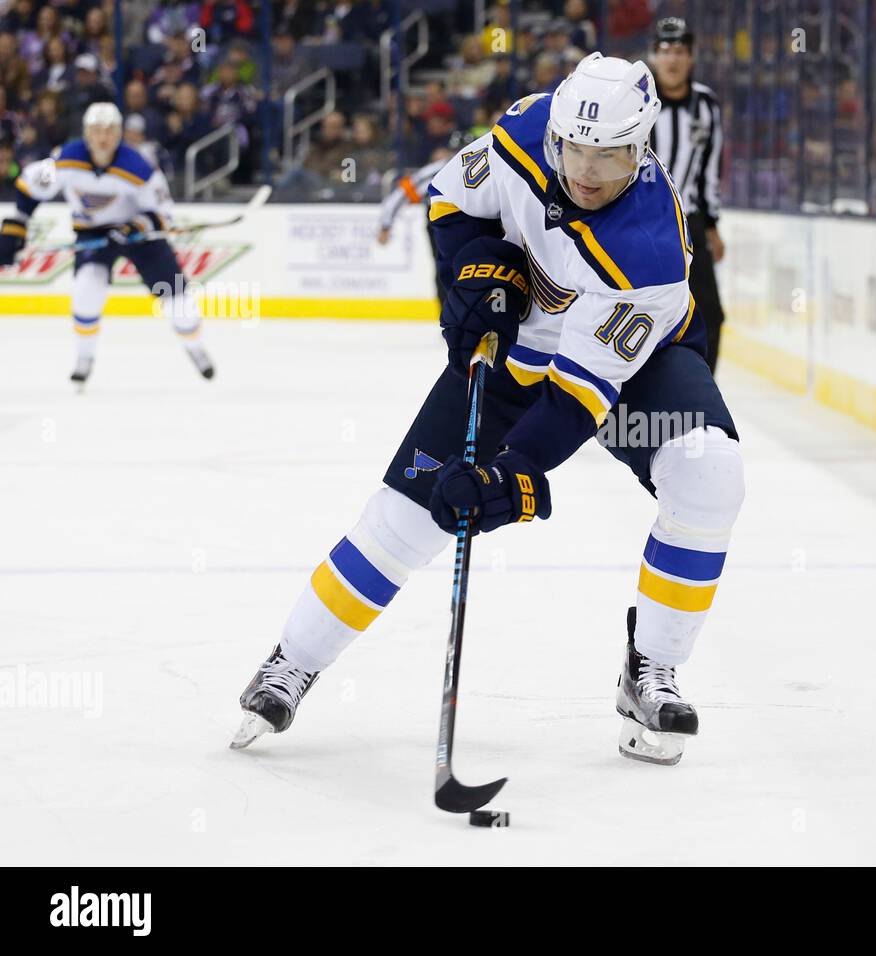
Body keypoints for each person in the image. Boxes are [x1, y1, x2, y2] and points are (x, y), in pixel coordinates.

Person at [232, 52, 745, 768]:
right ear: (557, 133)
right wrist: (476, 274)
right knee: (405, 519)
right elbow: (447, 207)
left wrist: (514, 470)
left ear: (644, 147)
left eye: (613, 155)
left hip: (635, 368)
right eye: (577, 149)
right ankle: (292, 660)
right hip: (512, 356)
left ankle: (650, 670)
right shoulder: (522, 132)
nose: (589, 171)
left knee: (708, 471)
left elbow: (575, 396)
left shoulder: (650, 252)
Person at [0, 102, 215, 385]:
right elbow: (29, 189)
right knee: (87, 290)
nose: (103, 137)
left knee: (178, 299)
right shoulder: (65, 159)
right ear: (87, 133)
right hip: (93, 233)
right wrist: (16, 226)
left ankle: (195, 348)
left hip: (140, 236)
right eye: (97, 130)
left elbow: (163, 213)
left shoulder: (138, 167)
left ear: (119, 133)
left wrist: (135, 227)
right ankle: (84, 357)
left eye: (110, 130)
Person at [647, 17, 726, 372]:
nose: (672, 59)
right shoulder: (639, 102)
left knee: (710, 312)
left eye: (679, 51)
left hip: (688, 221)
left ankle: (701, 390)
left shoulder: (706, 105)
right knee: (642, 306)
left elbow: (709, 169)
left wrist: (711, 227)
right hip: (642, 219)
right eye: (664, 51)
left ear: (691, 58)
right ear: (653, 57)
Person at [376, 145, 453, 302]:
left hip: (451, 221)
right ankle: (449, 313)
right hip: (442, 222)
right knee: (446, 268)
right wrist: (385, 224)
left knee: (450, 267)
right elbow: (402, 194)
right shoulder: (438, 169)